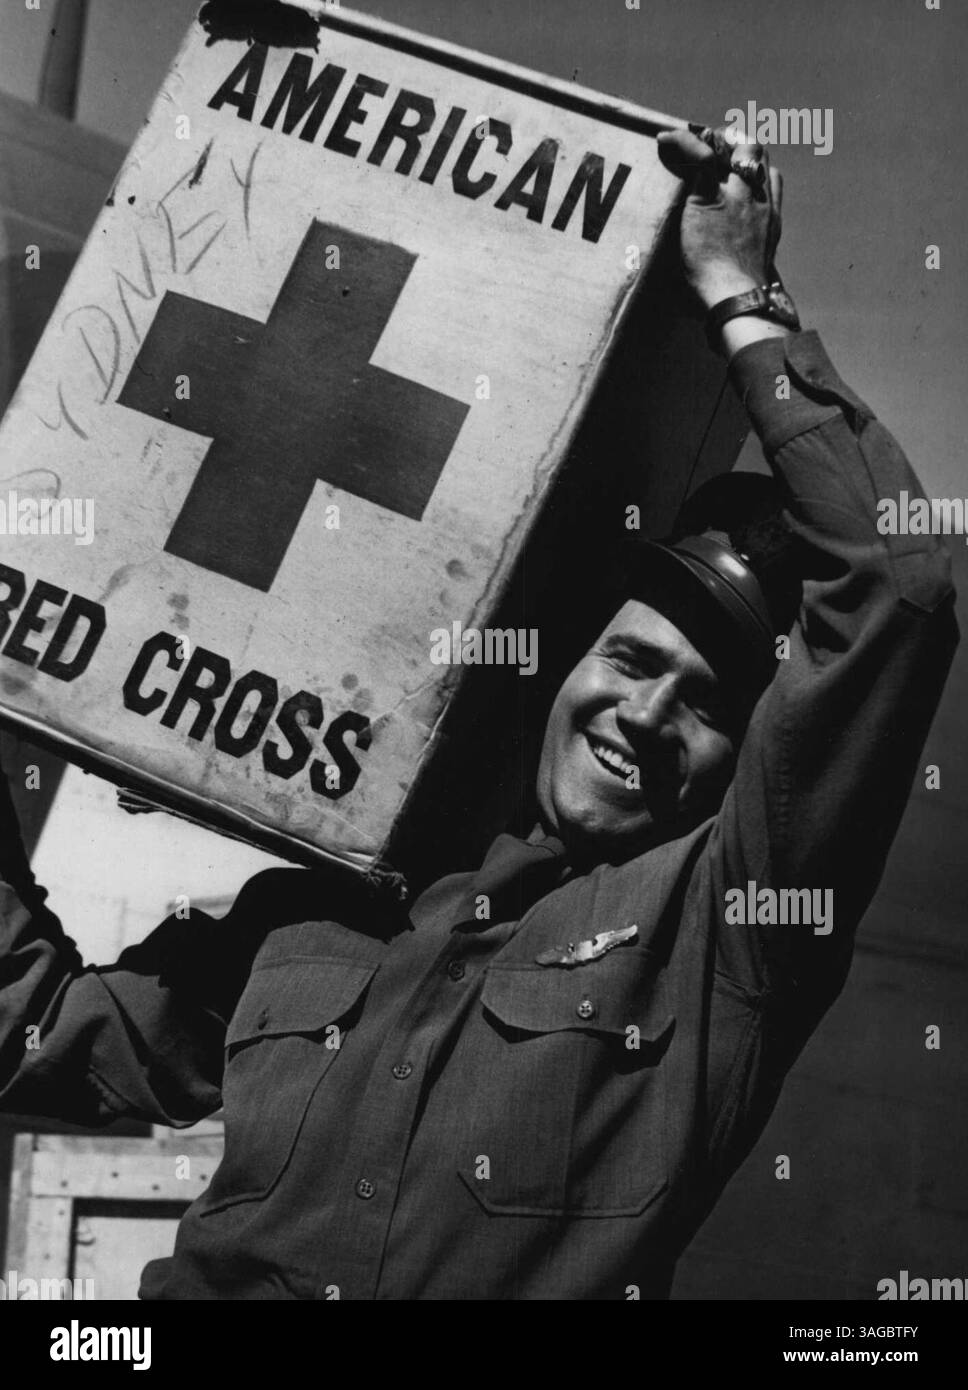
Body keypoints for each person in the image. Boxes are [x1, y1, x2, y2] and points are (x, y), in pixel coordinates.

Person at [0, 128, 957, 1300]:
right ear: (565, 669)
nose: (643, 713)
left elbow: (896, 583)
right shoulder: (331, 903)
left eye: (707, 706)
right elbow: (31, 1032)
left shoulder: (722, 932)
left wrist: (736, 292)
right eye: (628, 660)